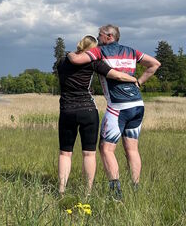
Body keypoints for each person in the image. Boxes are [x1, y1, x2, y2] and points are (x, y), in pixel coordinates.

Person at [68, 24, 160, 200]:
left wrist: (70, 54)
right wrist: (139, 81)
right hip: (137, 105)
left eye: (100, 35)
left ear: (109, 37)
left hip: (118, 107)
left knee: (106, 148)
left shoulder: (100, 51)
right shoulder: (132, 51)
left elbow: (76, 60)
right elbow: (155, 64)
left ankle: (115, 192)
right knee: (132, 149)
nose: (98, 38)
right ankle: (135, 189)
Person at [57, 35, 138, 196]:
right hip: (87, 110)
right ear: (93, 49)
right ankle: (87, 193)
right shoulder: (93, 61)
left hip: (67, 110)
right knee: (89, 153)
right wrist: (134, 79)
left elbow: (69, 62)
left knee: (65, 153)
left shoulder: (62, 61)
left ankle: (61, 191)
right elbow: (117, 75)